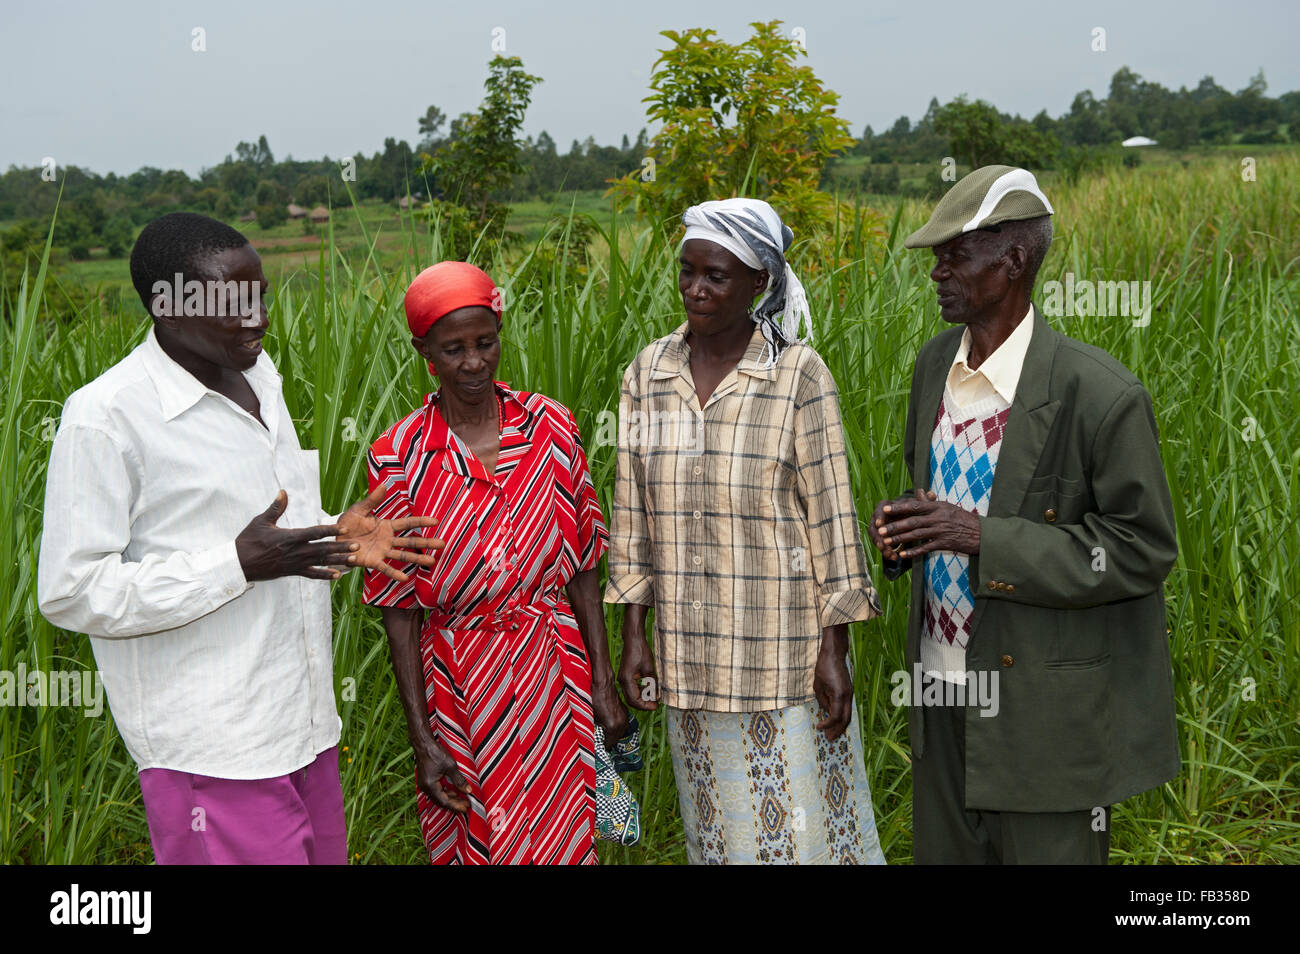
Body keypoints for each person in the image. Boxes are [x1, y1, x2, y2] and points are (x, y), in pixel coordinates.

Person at [37, 212, 441, 865]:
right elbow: (71, 590)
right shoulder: (107, 417)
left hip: (304, 728)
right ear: (168, 307)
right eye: (234, 304)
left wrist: (334, 535)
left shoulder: (258, 374)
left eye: (261, 296)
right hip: (214, 753)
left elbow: (265, 528)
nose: (260, 319)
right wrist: (234, 566)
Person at [867, 166, 1180, 864]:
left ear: (1012, 260)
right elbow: (937, 500)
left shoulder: (1099, 394)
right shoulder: (933, 367)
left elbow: (1141, 549)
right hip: (940, 691)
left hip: (1044, 713)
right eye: (936, 257)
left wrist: (982, 538)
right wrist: (906, 536)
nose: (937, 273)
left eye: (955, 255)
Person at [606, 197, 887, 865]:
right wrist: (635, 635)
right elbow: (632, 513)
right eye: (688, 271)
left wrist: (834, 651)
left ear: (760, 282)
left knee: (804, 836)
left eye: (717, 276)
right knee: (720, 836)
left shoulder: (797, 375)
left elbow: (831, 519)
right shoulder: (649, 373)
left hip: (783, 658)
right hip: (689, 656)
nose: (696, 290)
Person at [362, 260, 626, 865]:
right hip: (461, 685)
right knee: (481, 839)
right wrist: (421, 737)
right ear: (424, 352)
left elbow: (584, 565)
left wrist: (603, 684)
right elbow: (398, 608)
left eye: (485, 342)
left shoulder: (551, 425)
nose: (474, 362)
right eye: (453, 350)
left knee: (567, 835)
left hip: (553, 671)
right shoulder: (399, 454)